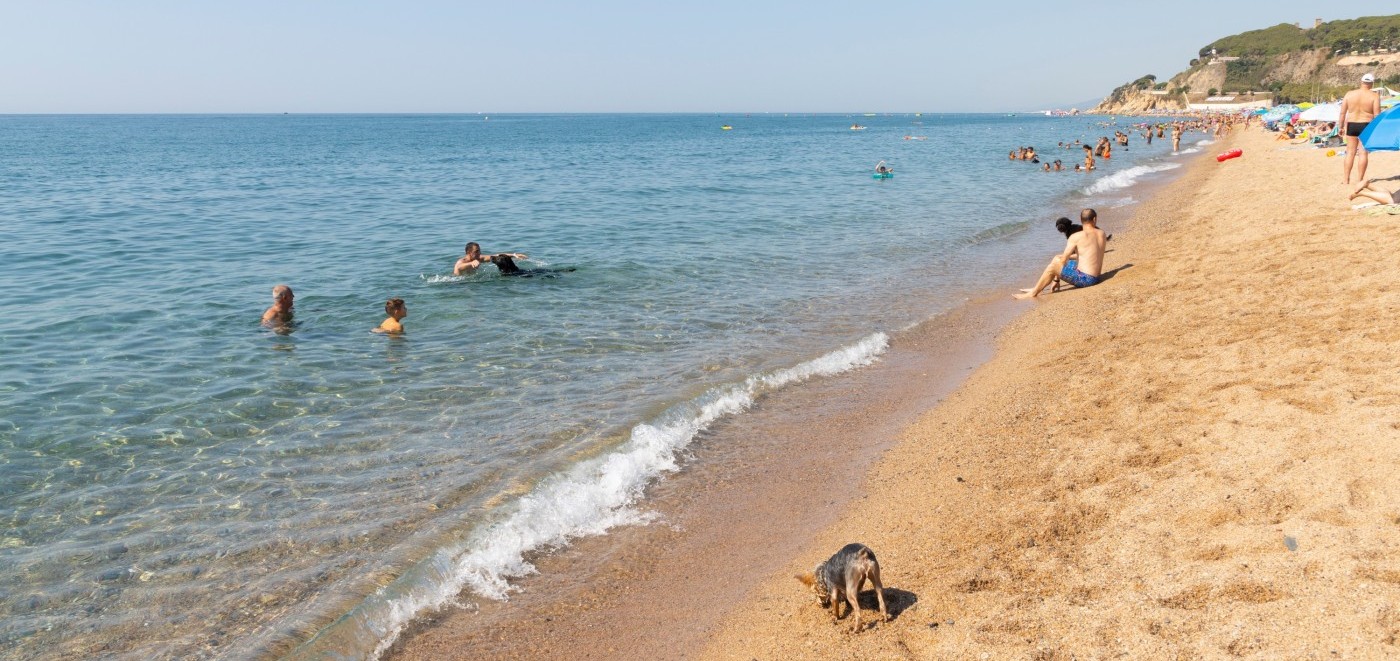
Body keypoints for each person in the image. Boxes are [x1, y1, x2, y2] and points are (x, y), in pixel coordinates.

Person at [1015, 209, 1107, 299]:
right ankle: (1038, 287)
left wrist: (1056, 278)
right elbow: (1087, 255)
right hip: (1095, 277)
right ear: (1094, 219)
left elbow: (1063, 261)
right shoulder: (1101, 233)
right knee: (1057, 257)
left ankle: (1033, 293)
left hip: (1086, 279)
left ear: (1080, 219)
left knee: (1052, 267)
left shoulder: (1075, 237)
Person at [1339, 73, 1382, 185]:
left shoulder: (1349, 94)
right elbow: (1377, 115)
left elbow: (1342, 113)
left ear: (1361, 82)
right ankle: (1359, 180)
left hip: (1352, 124)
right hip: (1366, 125)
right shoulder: (1374, 96)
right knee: (1363, 153)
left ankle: (1346, 179)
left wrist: (1340, 127)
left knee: (1350, 153)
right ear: (1372, 83)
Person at [454, 242, 528, 276]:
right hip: (458, 283)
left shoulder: (478, 258)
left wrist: (514, 255)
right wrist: (471, 263)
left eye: (479, 251)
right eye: (476, 251)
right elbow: (459, 267)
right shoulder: (461, 262)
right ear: (468, 252)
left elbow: (496, 256)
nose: (479, 253)